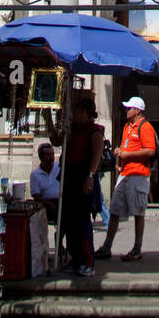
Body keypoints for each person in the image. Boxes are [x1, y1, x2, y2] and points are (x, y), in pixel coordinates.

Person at [95, 97, 157, 263]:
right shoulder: (127, 127)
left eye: (129, 108)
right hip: (125, 174)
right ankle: (107, 247)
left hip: (138, 175)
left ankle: (137, 248)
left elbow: (150, 150)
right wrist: (119, 151)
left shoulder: (145, 127)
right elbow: (126, 147)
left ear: (137, 110)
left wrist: (129, 155)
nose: (126, 110)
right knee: (115, 210)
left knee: (138, 213)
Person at [60, 95, 105, 277]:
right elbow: (57, 141)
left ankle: (87, 260)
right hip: (69, 175)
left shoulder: (94, 132)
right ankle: (75, 257)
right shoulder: (72, 130)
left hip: (83, 176)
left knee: (81, 221)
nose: (74, 113)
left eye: (78, 110)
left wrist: (90, 176)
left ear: (87, 113)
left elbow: (96, 156)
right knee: (69, 221)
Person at [29, 142, 60, 224]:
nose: (51, 157)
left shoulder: (59, 167)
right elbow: (36, 196)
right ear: (41, 157)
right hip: (46, 204)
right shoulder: (35, 175)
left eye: (52, 154)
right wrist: (49, 204)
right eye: (48, 155)